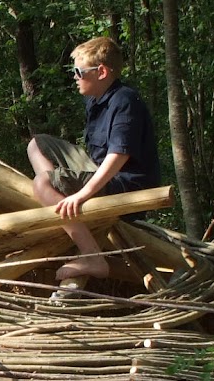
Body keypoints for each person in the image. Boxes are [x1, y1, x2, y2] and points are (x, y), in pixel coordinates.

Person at [26, 35, 163, 282]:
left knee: (42, 184)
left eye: (79, 71)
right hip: (102, 172)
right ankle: (64, 212)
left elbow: (119, 155)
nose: (75, 77)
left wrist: (82, 194)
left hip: (127, 187)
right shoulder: (94, 101)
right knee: (37, 144)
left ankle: (92, 255)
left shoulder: (125, 100)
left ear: (101, 72)